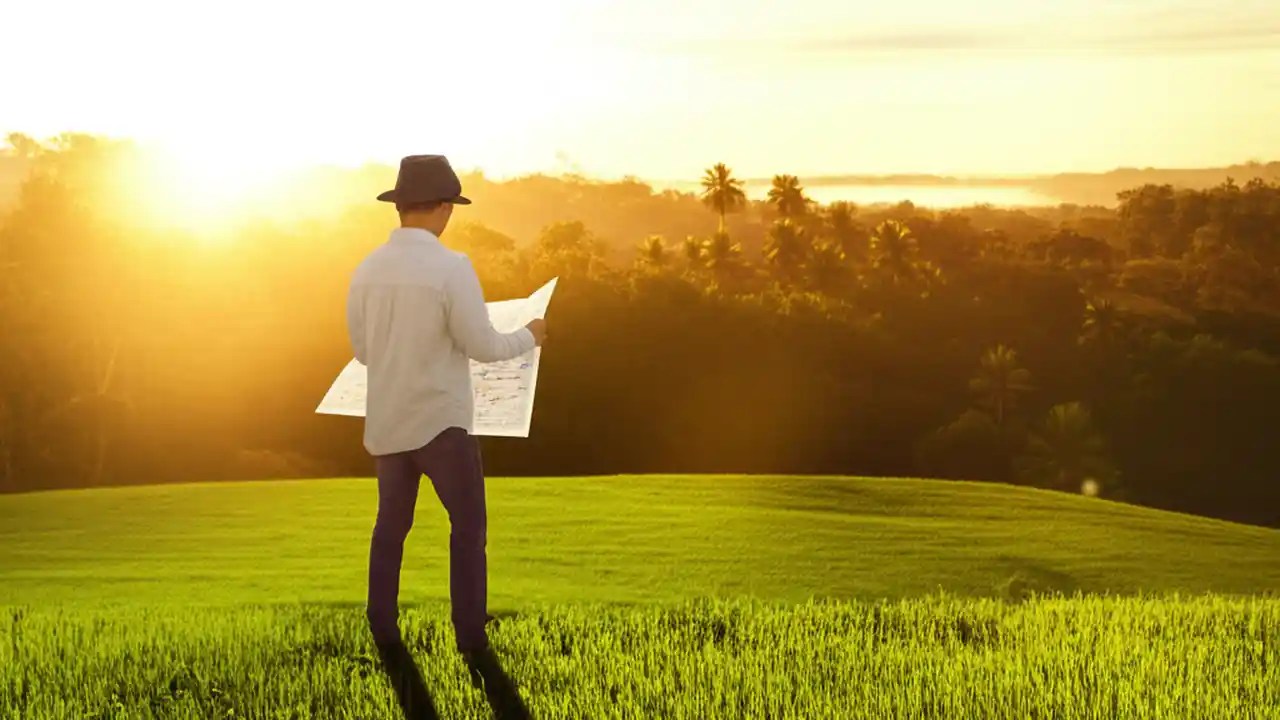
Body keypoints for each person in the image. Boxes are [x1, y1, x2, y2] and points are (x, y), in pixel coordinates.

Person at [347, 154, 547, 663]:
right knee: (468, 529)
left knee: (390, 527)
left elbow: (365, 351)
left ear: (399, 206)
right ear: (442, 208)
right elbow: (482, 345)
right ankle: (470, 637)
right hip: (442, 425)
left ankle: (383, 626)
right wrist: (531, 335)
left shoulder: (366, 270)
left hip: (388, 425)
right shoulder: (451, 267)